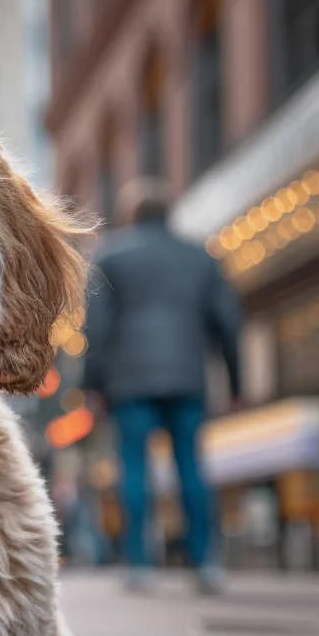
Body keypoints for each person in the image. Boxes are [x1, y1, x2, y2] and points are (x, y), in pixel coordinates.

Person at [81, 178, 242, 595]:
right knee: (191, 468)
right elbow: (227, 323)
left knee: (134, 468)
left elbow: (96, 328)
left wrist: (91, 384)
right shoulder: (199, 257)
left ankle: (139, 562)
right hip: (187, 376)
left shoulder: (111, 256)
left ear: (130, 215)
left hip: (130, 380)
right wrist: (235, 381)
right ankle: (205, 562)